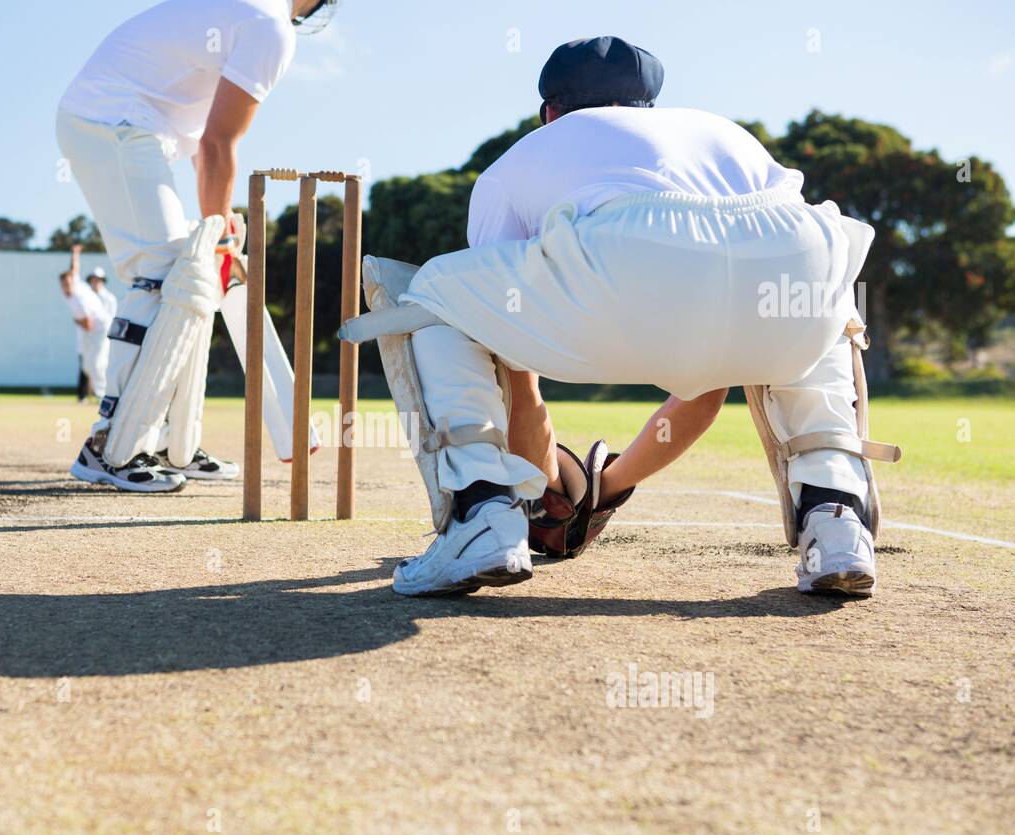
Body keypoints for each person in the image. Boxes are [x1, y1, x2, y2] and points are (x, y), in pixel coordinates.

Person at [343, 36, 897, 598]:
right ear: (650, 109)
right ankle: (836, 520)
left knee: (436, 292)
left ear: (549, 114)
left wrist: (546, 492)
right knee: (819, 307)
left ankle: (482, 513)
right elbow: (707, 389)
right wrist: (604, 489)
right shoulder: (724, 136)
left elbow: (515, 376)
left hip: (616, 256)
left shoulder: (520, 162)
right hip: (793, 246)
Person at [57, 0, 340, 493]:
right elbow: (216, 144)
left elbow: (200, 145)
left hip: (125, 124)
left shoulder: (242, 13)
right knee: (164, 272)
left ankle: (171, 442)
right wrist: (217, 226)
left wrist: (219, 225)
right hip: (112, 121)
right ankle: (109, 443)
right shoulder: (271, 27)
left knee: (192, 276)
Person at [59, 244, 112, 402]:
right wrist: (74, 254)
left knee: (97, 363)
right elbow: (74, 269)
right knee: (87, 366)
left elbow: (87, 324)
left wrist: (76, 320)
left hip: (100, 329)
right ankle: (99, 393)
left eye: (68, 284)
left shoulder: (79, 299)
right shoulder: (74, 284)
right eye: (64, 284)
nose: (67, 286)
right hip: (89, 331)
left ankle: (105, 396)